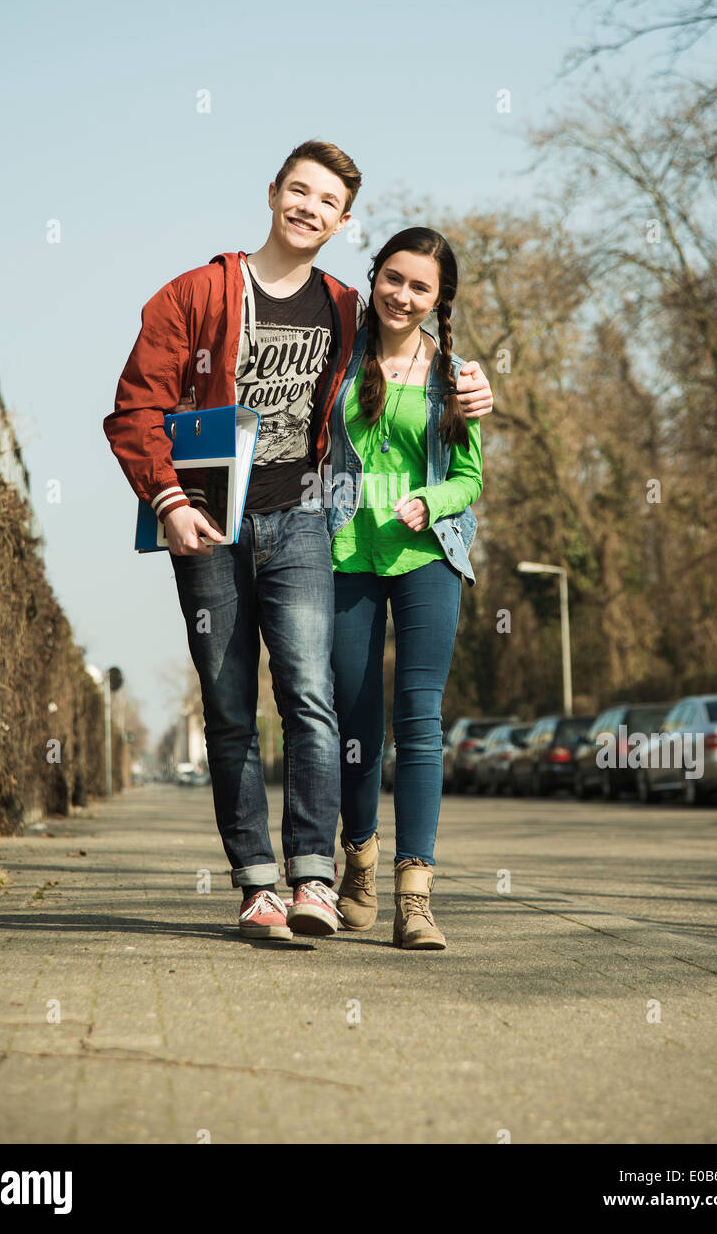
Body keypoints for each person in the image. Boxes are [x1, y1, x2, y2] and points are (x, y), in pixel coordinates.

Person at [103, 142, 493, 943]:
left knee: (310, 697)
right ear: (273, 193)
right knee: (228, 706)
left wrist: (474, 380)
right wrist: (168, 499)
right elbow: (135, 408)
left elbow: (413, 345)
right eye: (298, 191)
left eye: (327, 201)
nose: (309, 208)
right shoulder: (198, 294)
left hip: (307, 521)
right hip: (208, 524)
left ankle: (314, 876)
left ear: (343, 222)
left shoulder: (344, 307)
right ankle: (255, 887)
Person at [327, 227, 482, 950]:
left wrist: (432, 501)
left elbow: (469, 478)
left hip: (428, 557)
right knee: (353, 722)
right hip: (344, 553)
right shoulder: (337, 353)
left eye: (420, 286)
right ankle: (357, 860)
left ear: (438, 298)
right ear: (376, 276)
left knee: (418, 719)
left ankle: (414, 897)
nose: (402, 295)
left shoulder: (455, 374)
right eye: (393, 278)